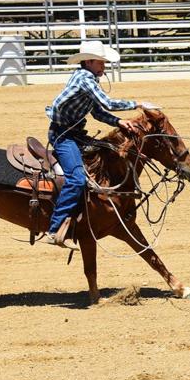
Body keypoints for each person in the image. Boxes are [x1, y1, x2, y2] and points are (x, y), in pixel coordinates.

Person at [42, 40, 145, 250]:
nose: (104, 66)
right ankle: (54, 229)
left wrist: (118, 122)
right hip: (64, 136)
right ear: (89, 61)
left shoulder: (87, 78)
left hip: (75, 134)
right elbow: (107, 103)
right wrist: (137, 104)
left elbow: (97, 111)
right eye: (101, 62)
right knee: (77, 179)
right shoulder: (85, 78)